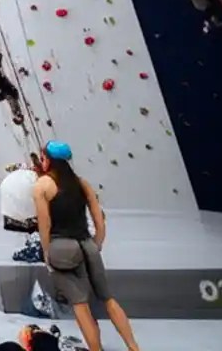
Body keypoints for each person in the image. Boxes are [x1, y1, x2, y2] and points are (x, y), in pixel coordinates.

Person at [34, 141, 141, 351]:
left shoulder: (42, 186)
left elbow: (44, 223)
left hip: (62, 248)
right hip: (87, 245)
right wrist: (97, 242)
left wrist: (47, 252)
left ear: (48, 160)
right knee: (108, 299)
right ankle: (133, 346)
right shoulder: (82, 184)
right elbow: (98, 218)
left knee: (81, 306)